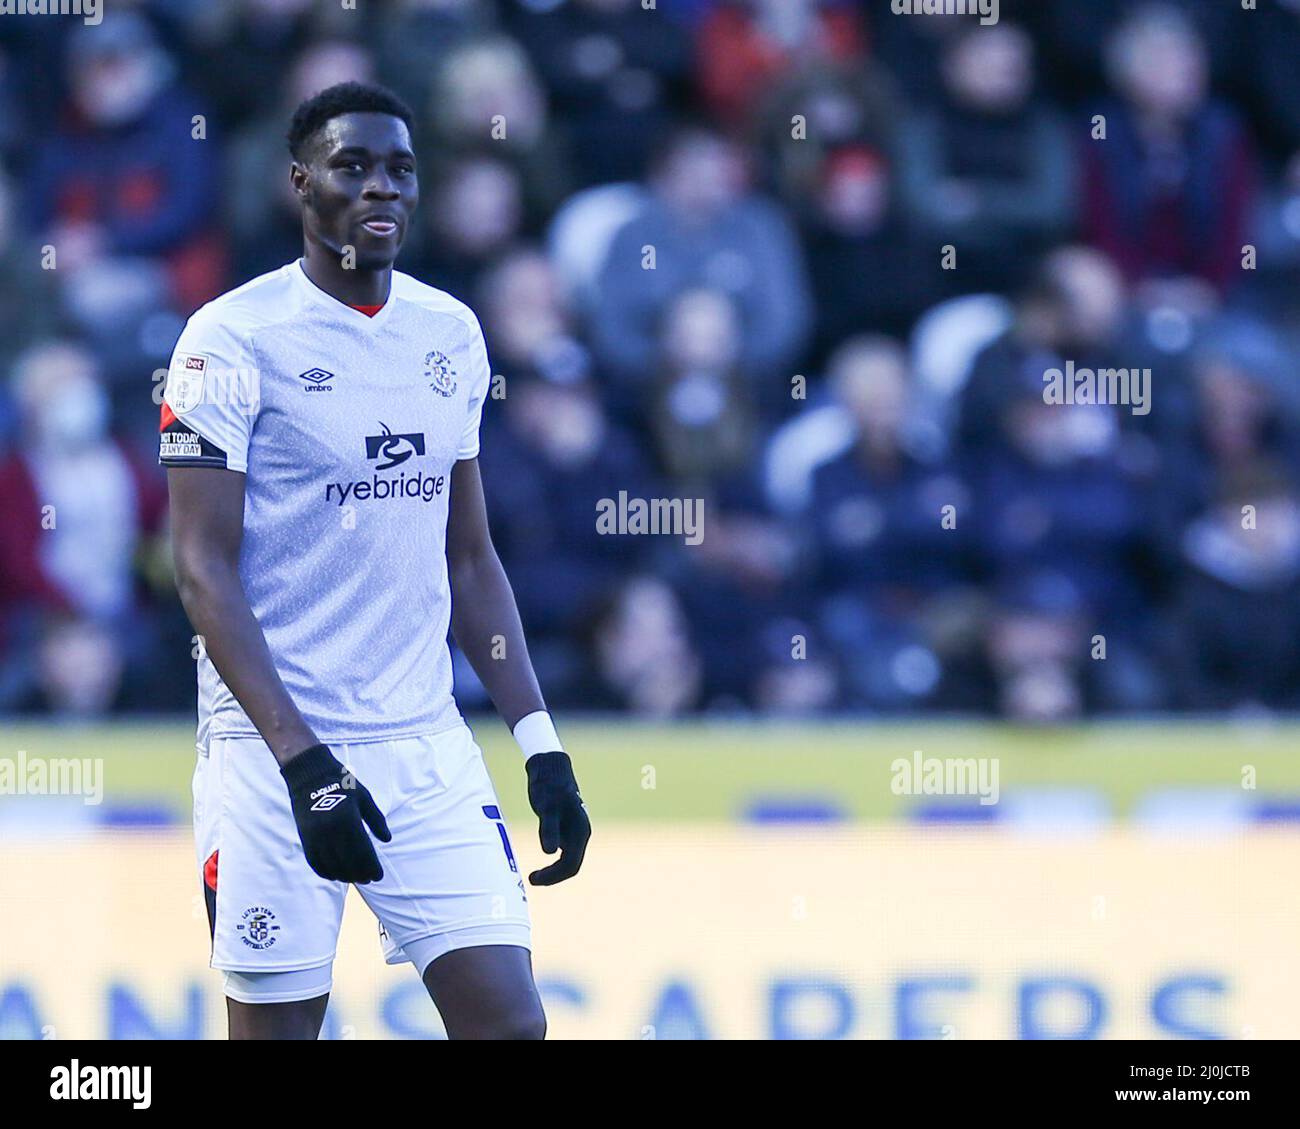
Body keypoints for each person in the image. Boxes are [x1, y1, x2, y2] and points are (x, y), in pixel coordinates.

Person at [159, 82, 590, 1040]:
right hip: (274, 750)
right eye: (352, 168)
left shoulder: (451, 333)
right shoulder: (226, 341)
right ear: (300, 184)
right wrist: (302, 761)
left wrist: (540, 742)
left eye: (399, 169)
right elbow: (200, 568)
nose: (379, 189)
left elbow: (470, 558)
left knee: (513, 1027)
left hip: (421, 737)